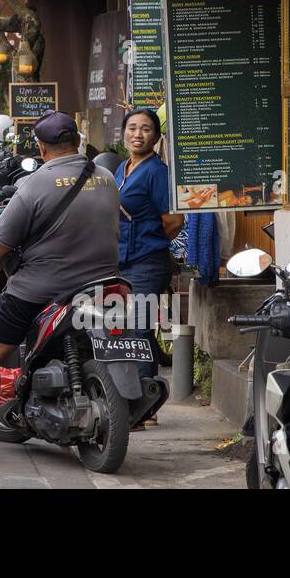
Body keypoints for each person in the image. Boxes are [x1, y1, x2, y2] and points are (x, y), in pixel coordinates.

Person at [0, 111, 119, 461]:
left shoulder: (36, 183)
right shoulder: (107, 177)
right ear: (78, 141)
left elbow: (2, 240)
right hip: (105, 283)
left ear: (40, 147)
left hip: (42, 289)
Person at [115, 109, 183, 407]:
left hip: (147, 262)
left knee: (139, 329)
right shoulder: (122, 168)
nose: (137, 134)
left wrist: (150, 241)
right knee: (122, 328)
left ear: (156, 137)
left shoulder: (157, 172)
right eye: (132, 128)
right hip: (121, 261)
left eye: (145, 129)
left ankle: (145, 405)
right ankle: (129, 397)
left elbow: (174, 220)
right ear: (124, 133)